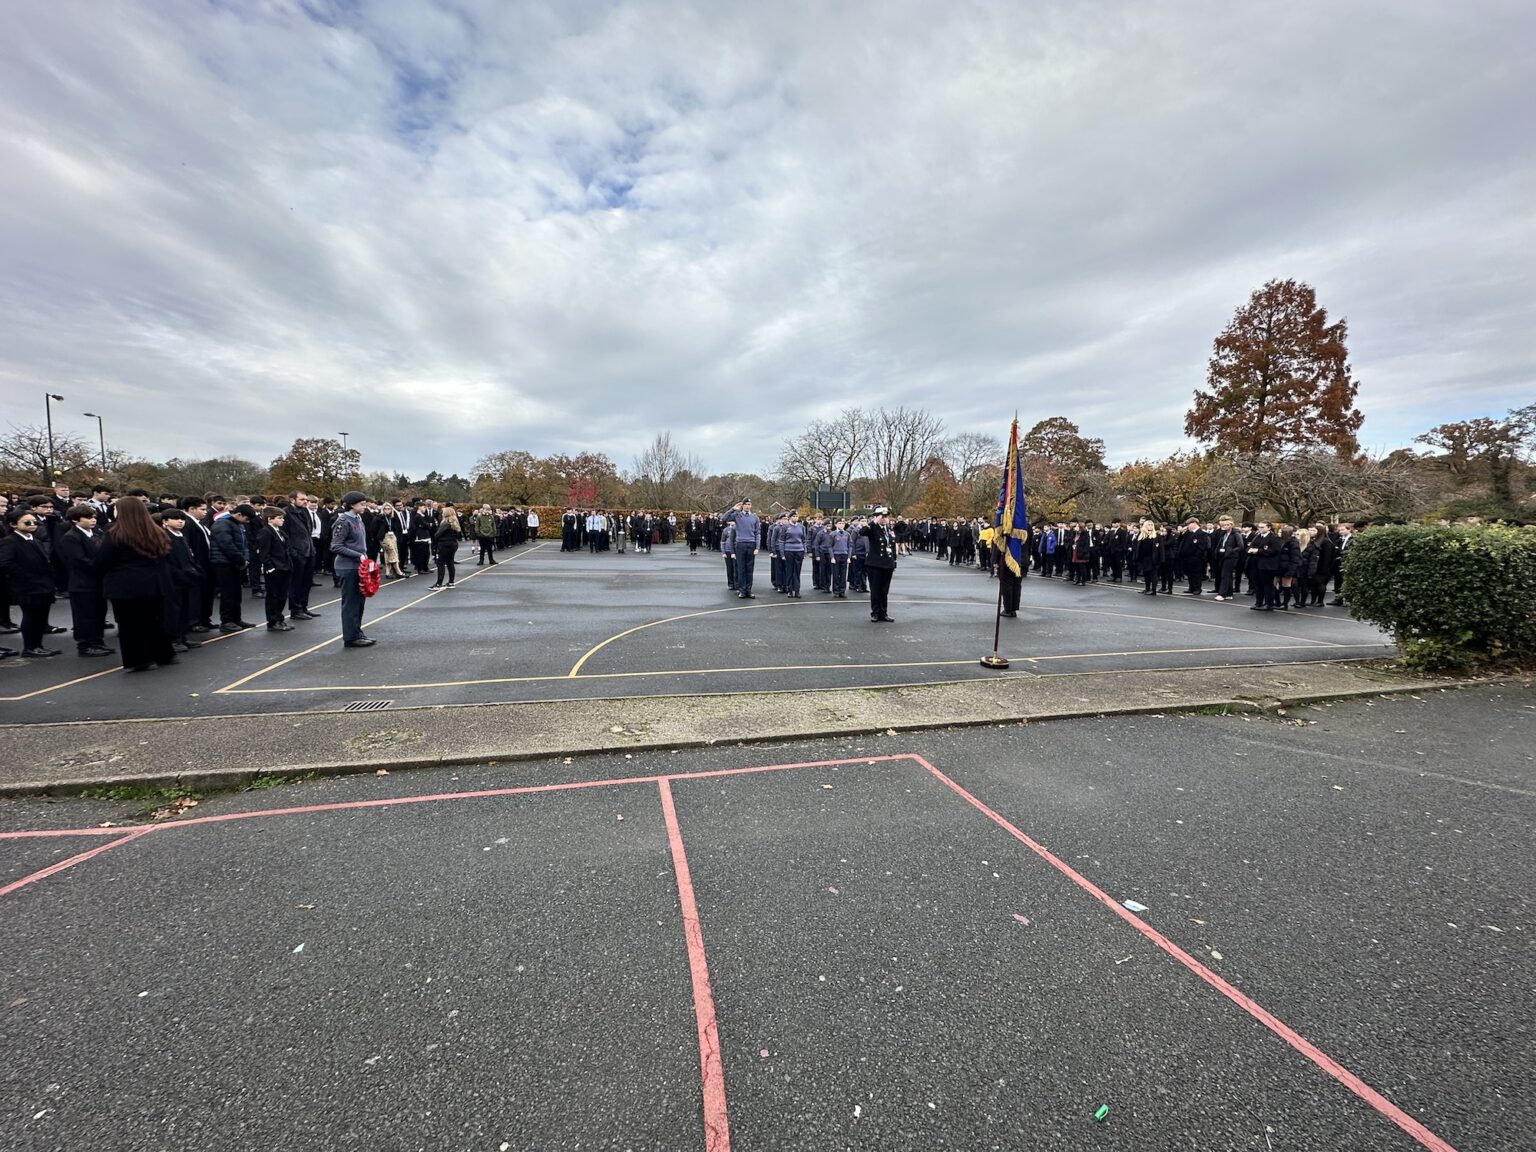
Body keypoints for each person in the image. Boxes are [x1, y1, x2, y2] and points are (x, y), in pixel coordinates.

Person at [94, 497, 177, 672]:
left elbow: (102, 560)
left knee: (130, 624)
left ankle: (140, 659)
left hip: (126, 585)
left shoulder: (115, 533)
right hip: (155, 583)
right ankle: (164, 654)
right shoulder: (156, 531)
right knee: (155, 620)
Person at [0, 507, 63, 657]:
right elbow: (6, 564)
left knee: (41, 616)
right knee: (31, 616)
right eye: (27, 522)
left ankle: (38, 644)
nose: (32, 524)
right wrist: (26, 578)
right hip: (27, 586)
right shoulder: (9, 542)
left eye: (34, 522)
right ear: (14, 524)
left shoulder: (34, 540)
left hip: (43, 584)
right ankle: (30, 647)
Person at [54, 504, 115, 657]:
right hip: (83, 583)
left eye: (94, 517)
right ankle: (86, 644)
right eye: (88, 517)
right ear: (75, 520)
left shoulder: (95, 533)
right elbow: (79, 560)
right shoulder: (71, 537)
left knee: (99, 613)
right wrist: (102, 566)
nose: (93, 520)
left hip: (98, 582)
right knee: (85, 616)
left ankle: (97, 641)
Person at [331, 491, 374, 646]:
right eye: (361, 503)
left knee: (359, 602)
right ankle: (350, 637)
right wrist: (357, 555)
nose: (364, 506)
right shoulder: (343, 521)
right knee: (351, 603)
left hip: (359, 566)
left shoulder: (358, 518)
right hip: (348, 567)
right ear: (351, 505)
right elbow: (336, 546)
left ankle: (357, 632)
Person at [209, 503, 256, 632]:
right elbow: (226, 545)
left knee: (236, 593)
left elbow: (244, 544)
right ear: (239, 514)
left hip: (236, 563)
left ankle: (236, 618)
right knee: (228, 593)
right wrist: (240, 559)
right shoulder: (222, 524)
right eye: (246, 519)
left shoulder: (238, 525)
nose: (247, 522)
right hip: (223, 563)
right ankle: (227, 621)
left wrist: (245, 559)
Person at [255, 506, 294, 631]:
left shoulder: (280, 532)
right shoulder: (265, 532)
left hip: (284, 567)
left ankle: (279, 618)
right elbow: (264, 552)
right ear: (269, 519)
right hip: (274, 568)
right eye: (279, 518)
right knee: (273, 596)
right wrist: (269, 567)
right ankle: (272, 621)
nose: (283, 520)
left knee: (282, 595)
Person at [859, 508, 898, 622]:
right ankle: (875, 613)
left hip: (887, 563)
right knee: (875, 589)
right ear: (877, 517)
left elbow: (891, 546)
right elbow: (862, 532)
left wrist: (893, 561)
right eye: (882, 516)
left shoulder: (889, 529)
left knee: (884, 590)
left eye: (886, 516)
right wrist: (874, 522)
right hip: (875, 564)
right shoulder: (872, 528)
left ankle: (883, 613)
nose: (885, 519)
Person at [723, 499, 760, 599]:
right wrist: (733, 509)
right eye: (745, 504)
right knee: (741, 569)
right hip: (740, 544)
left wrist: (757, 547)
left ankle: (748, 590)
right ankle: (742, 590)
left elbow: (757, 533)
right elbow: (724, 518)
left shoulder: (754, 517)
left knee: (749, 569)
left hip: (751, 544)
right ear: (742, 505)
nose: (747, 506)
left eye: (749, 504)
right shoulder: (737, 515)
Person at [1211, 516, 1243, 601]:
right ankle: (1229, 593)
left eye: (1227, 525)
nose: (1225, 526)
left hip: (1231, 557)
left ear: (1231, 525)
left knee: (1225, 575)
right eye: (1224, 525)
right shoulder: (1223, 534)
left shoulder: (1236, 534)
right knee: (1227, 575)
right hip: (1222, 555)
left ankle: (1222, 594)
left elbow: (1240, 546)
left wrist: (1231, 551)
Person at [432, 505, 462, 588]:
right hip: (453, 544)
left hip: (444, 545)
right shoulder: (455, 523)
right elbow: (459, 535)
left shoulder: (445, 523)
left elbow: (437, 535)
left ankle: (439, 583)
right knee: (450, 563)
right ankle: (451, 582)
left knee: (440, 563)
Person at [1134, 520, 1163, 595]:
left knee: (1153, 574)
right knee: (1146, 574)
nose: (1150, 526)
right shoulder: (1141, 535)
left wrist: (1161, 559)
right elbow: (1137, 547)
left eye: (1151, 524)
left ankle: (1153, 590)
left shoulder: (1157, 536)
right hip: (1144, 558)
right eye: (1148, 524)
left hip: (1153, 558)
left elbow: (1161, 548)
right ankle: (1147, 588)